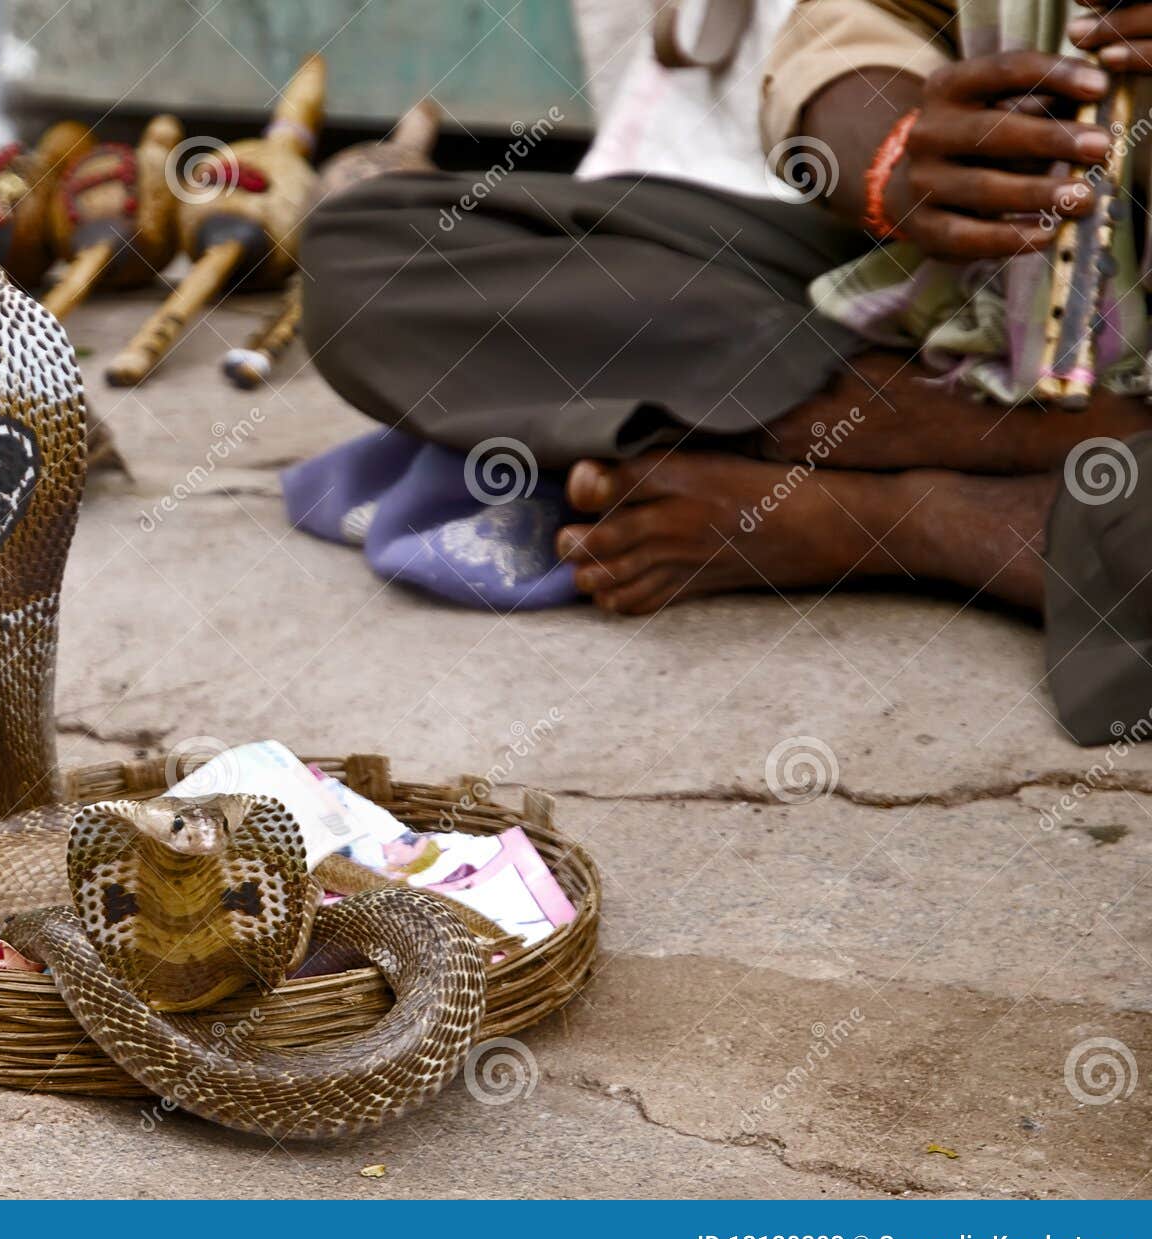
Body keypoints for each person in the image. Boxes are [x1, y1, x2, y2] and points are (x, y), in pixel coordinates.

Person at [294, 0, 1152, 742]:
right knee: (376, 261)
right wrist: (897, 158)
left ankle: (883, 517)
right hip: (961, 282)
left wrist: (866, 519)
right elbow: (864, 26)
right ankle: (1029, 432)